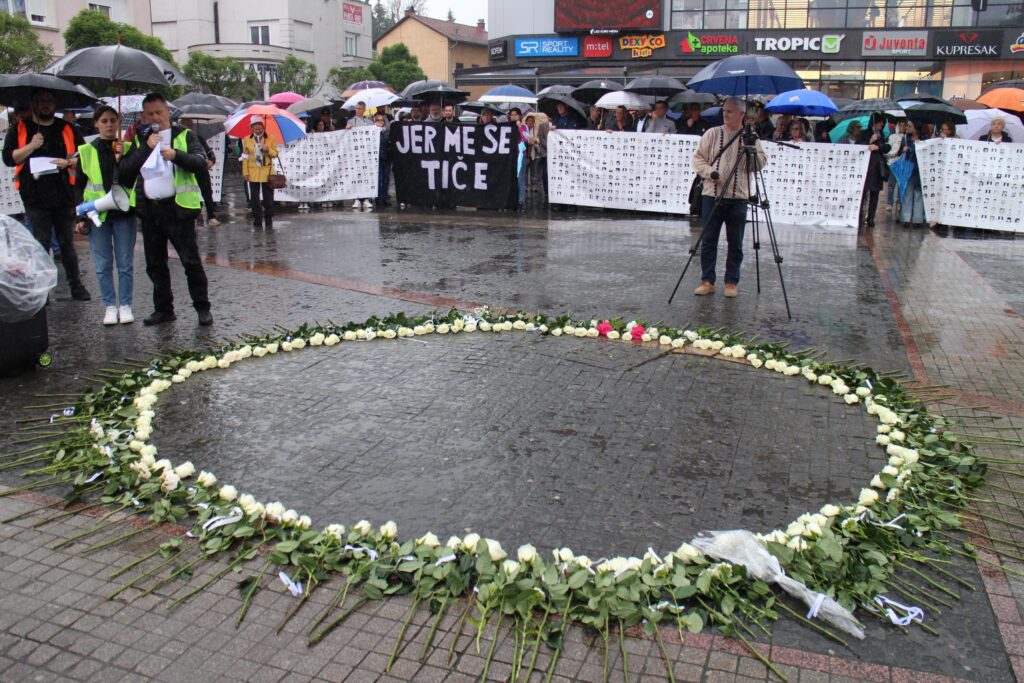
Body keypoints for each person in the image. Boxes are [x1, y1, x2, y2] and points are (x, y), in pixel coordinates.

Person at [119, 92, 212, 326]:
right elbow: (125, 172)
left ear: (168, 112)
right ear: (143, 116)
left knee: (190, 262)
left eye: (159, 112)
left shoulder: (184, 135)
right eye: (149, 114)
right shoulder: (141, 139)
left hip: (178, 209)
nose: (155, 118)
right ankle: (163, 309)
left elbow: (200, 162)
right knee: (155, 264)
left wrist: (176, 155)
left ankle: (202, 307)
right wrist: (145, 147)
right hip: (150, 210)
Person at [3, 88, 90, 301]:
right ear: (33, 103)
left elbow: (86, 157)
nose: (46, 105)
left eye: (49, 101)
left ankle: (76, 285)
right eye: (41, 100)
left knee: (66, 243)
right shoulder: (20, 128)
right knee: (40, 243)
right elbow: (9, 158)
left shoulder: (67, 128)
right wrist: (32, 146)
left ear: (55, 104)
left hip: (63, 194)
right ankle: (42, 291)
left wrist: (68, 163)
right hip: (34, 196)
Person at [691, 96, 766, 298]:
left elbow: (759, 164)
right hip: (712, 195)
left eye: (730, 111)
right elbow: (698, 159)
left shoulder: (751, 137)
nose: (725, 114)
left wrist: (750, 150)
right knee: (708, 240)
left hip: (738, 196)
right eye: (724, 110)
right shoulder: (712, 133)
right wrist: (710, 172)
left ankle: (731, 282)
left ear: (742, 114)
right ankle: (707, 280)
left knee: (736, 242)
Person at [74, 105, 138, 325]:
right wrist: (80, 217)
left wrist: (121, 159)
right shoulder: (86, 151)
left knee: (125, 263)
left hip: (124, 213)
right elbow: (79, 186)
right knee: (102, 265)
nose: (109, 125)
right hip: (97, 215)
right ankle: (110, 306)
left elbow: (133, 179)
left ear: (118, 122)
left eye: (113, 120)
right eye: (104, 121)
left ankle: (125, 305)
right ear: (96, 124)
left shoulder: (127, 147)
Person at [181, 117, 220, 227]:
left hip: (201, 169)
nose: (189, 128)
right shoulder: (178, 140)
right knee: (190, 193)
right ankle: (194, 215)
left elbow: (210, 153)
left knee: (207, 192)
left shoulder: (198, 138)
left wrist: (211, 161)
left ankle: (211, 216)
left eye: (190, 125)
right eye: (186, 125)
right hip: (186, 172)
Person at [241, 116, 279, 226]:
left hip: (267, 172)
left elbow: (276, 154)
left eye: (259, 124)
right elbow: (245, 157)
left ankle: (268, 217)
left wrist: (268, 150)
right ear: (251, 127)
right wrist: (245, 172)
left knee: (268, 198)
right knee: (254, 199)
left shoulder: (270, 138)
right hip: (253, 172)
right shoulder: (247, 139)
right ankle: (257, 218)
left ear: (263, 126)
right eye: (255, 125)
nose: (257, 127)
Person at [856, 115, 890, 228]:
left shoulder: (882, 135)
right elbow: (858, 146)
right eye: (880, 122)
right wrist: (869, 141)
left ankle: (871, 218)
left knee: (875, 194)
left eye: (883, 123)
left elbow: (886, 148)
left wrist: (879, 147)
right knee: (862, 193)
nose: (882, 124)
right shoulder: (864, 133)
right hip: (866, 167)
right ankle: (859, 216)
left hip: (877, 168)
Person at [898, 119, 927, 227]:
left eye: (910, 126)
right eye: (907, 126)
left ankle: (917, 219)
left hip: (920, 169)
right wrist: (903, 150)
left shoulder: (924, 138)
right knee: (907, 193)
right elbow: (899, 152)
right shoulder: (905, 138)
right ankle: (906, 218)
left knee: (918, 194)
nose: (907, 128)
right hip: (908, 169)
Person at [509, 107, 531, 211]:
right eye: (512, 115)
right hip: (510, 156)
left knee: (520, 180)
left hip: (520, 156)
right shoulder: (508, 126)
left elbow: (527, 138)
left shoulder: (523, 126)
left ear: (520, 116)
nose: (513, 117)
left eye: (515, 115)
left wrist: (519, 127)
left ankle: (521, 202)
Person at [885, 120, 906, 209]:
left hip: (902, 163)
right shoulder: (892, 137)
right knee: (891, 185)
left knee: (901, 184)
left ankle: (899, 203)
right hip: (893, 162)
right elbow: (887, 149)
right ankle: (889, 203)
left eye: (904, 125)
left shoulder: (906, 138)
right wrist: (892, 155)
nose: (902, 127)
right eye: (900, 125)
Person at [374, 112, 391, 207]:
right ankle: (379, 198)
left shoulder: (387, 131)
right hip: (378, 158)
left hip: (387, 158)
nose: (380, 122)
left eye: (382, 120)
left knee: (386, 179)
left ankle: (384, 197)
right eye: (378, 120)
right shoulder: (373, 132)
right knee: (379, 179)